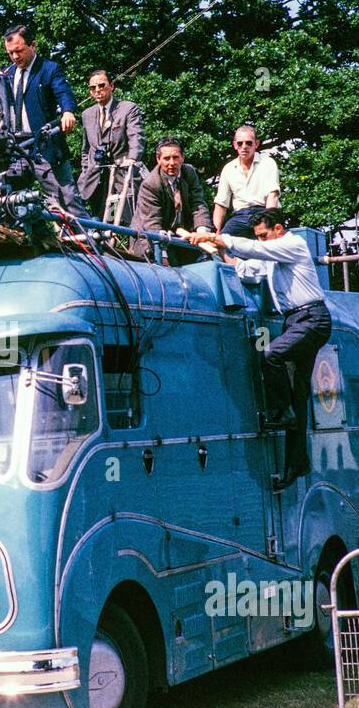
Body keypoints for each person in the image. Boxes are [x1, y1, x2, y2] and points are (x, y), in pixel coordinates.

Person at [179, 209, 331, 491]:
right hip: (297, 321)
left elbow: (249, 249)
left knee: (271, 355)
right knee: (299, 396)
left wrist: (217, 236)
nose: (260, 241)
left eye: (263, 236)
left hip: (313, 318)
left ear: (278, 229)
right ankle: (296, 462)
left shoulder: (293, 245)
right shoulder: (273, 258)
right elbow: (246, 267)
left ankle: (280, 412)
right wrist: (216, 250)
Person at [1, 24, 90, 217]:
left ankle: (91, 242)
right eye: (10, 53)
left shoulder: (50, 69)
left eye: (19, 51)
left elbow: (63, 92)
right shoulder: (5, 75)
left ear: (33, 45)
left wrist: (67, 112)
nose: (15, 57)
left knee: (68, 200)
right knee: (10, 204)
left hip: (45, 146)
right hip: (15, 150)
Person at [131, 137, 212, 264]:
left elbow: (198, 203)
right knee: (166, 265)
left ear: (182, 157)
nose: (172, 163)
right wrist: (162, 254)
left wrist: (202, 232)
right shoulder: (150, 184)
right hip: (149, 237)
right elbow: (152, 223)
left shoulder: (189, 173)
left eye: (176, 157)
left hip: (180, 235)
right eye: (166, 158)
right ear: (158, 160)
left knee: (206, 259)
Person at [78, 70, 145, 221]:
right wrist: (86, 168)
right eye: (93, 88)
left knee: (116, 219)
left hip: (120, 177)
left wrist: (132, 160)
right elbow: (86, 148)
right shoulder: (87, 114)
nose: (97, 91)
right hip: (94, 179)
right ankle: (100, 240)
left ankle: (115, 240)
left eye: (101, 86)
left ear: (111, 86)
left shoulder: (127, 108)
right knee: (95, 219)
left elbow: (136, 136)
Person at [213, 124, 280, 239]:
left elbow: (272, 196)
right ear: (235, 145)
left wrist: (268, 223)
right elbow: (221, 204)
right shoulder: (228, 169)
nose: (244, 146)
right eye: (240, 143)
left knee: (268, 247)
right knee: (220, 245)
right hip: (239, 217)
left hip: (263, 212)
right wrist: (217, 231)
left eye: (249, 143)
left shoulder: (268, 163)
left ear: (256, 144)